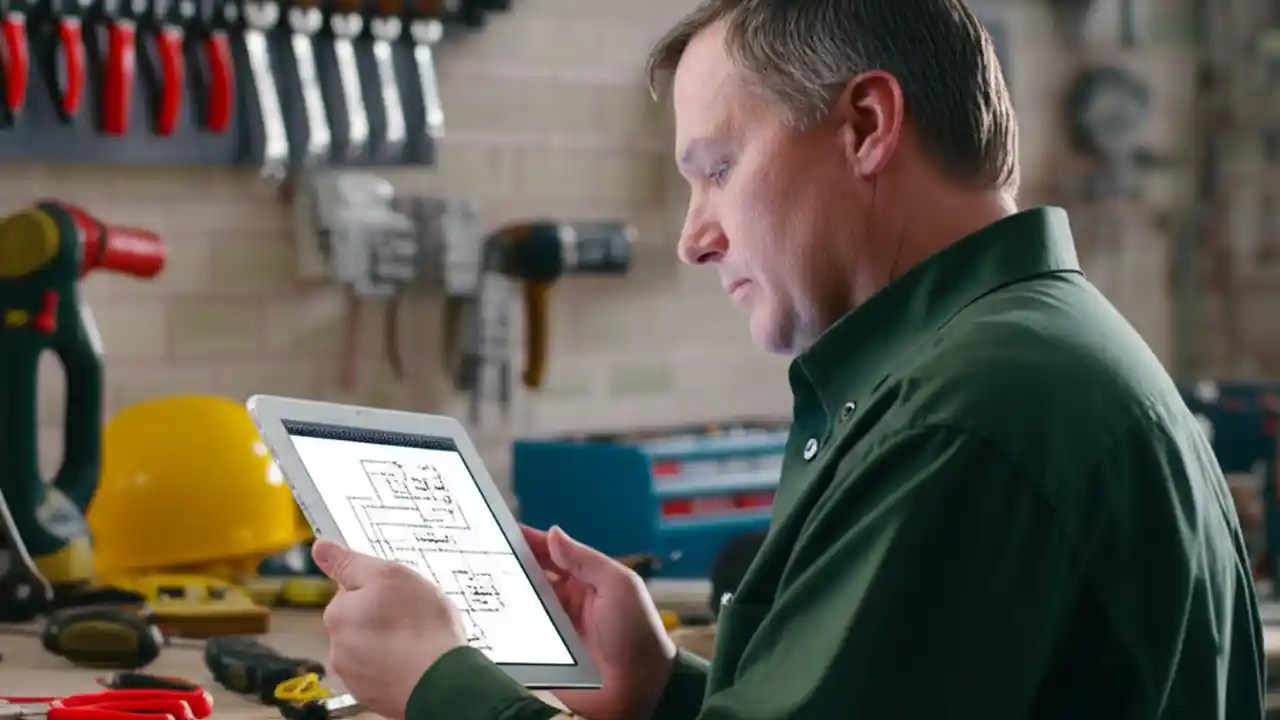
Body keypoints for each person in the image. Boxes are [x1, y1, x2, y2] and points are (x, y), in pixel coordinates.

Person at [310, 1, 1267, 718]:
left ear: (865, 128)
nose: (694, 239)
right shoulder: (1026, 356)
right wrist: (662, 690)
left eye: (717, 170)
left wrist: (441, 685)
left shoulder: (974, 414)